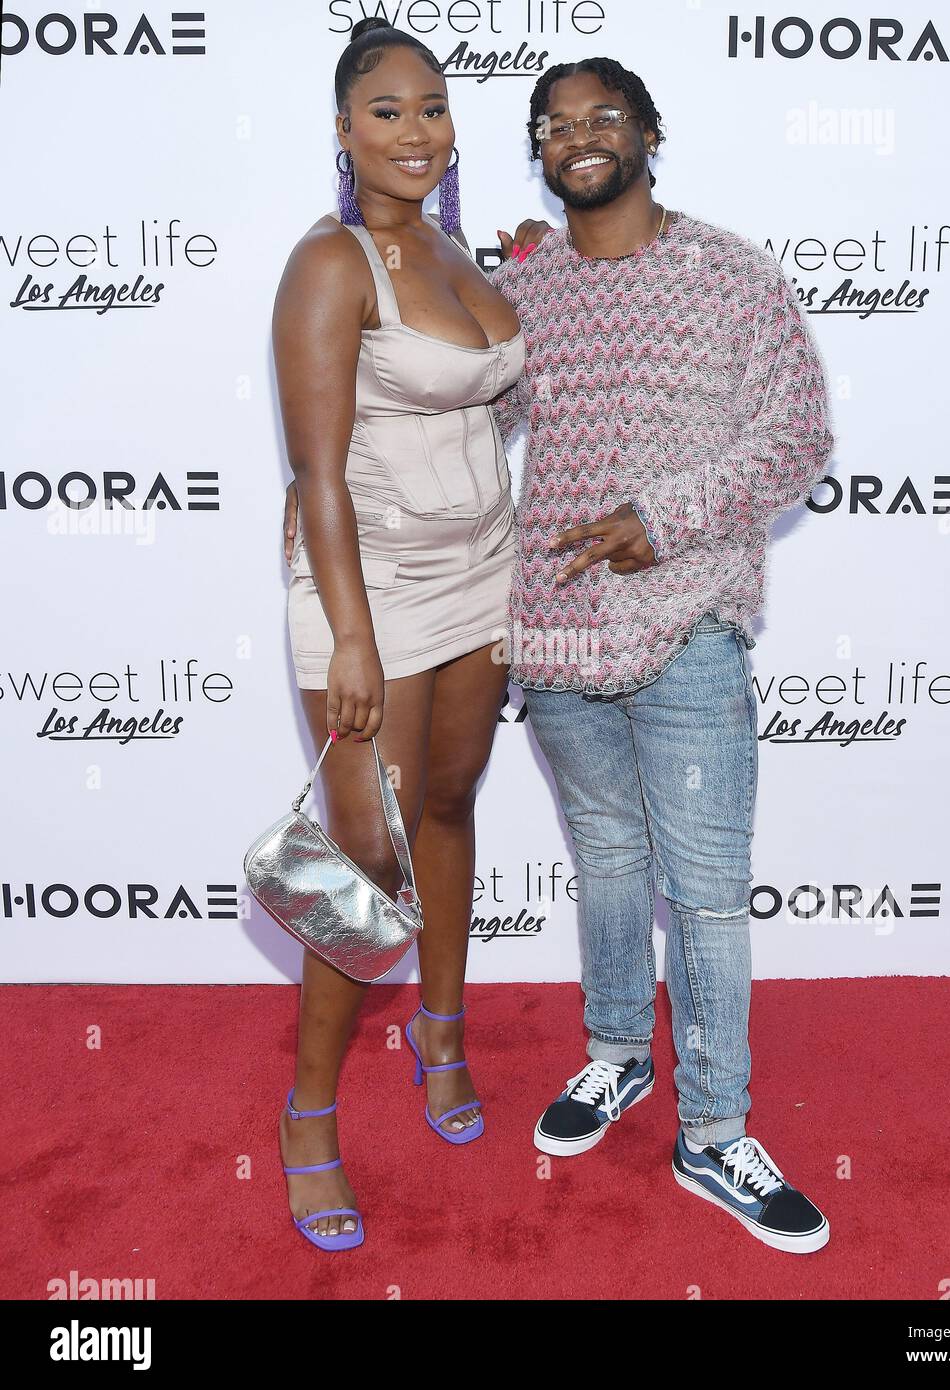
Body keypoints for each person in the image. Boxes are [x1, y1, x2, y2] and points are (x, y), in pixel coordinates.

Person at [485, 59, 836, 1255]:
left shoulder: (727, 273)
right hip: (552, 626)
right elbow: (466, 419)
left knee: (709, 897)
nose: (577, 138)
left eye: (600, 118)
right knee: (605, 862)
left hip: (684, 621)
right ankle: (616, 1054)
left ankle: (716, 1128)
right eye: (554, 125)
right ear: (538, 151)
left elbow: (796, 434)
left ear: (647, 132)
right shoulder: (524, 286)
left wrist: (665, 516)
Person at [271, 17, 526, 1252]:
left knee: (447, 806)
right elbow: (316, 473)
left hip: (484, 572)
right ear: (341, 129)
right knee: (361, 866)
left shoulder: (454, 248)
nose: (414, 130)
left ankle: (440, 1035)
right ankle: (308, 1116)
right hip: (370, 589)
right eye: (386, 110)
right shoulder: (330, 264)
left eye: (430, 107)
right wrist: (353, 643)